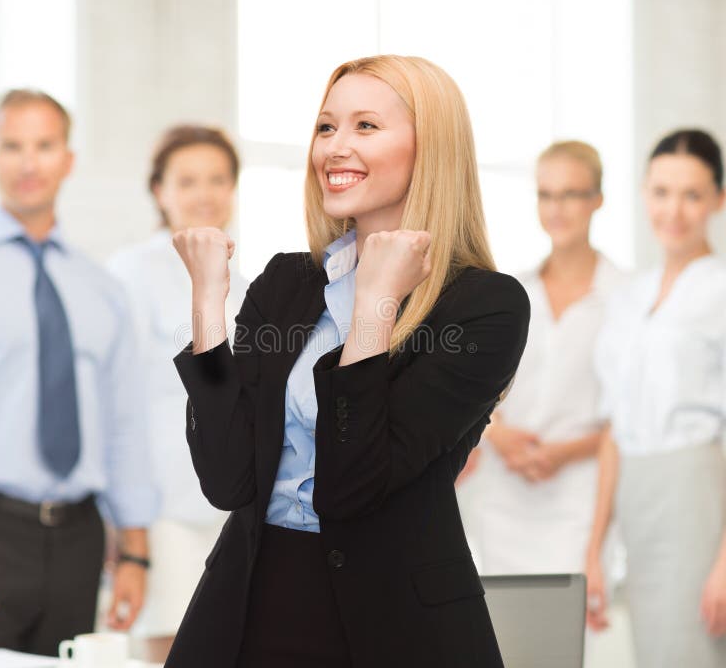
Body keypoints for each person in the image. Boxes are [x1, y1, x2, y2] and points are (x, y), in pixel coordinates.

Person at [167, 55, 530, 668]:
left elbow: (351, 486)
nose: (335, 147)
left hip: (395, 624)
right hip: (248, 605)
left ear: (431, 148)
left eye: (366, 126)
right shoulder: (286, 282)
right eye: (326, 127)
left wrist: (376, 304)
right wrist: (208, 302)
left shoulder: (486, 306)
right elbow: (226, 478)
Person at [0, 89, 158, 656]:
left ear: (68, 160)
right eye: (12, 146)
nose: (28, 163)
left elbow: (123, 422)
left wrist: (135, 553)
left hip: (79, 542)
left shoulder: (102, 290)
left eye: (44, 145)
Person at [586, 129, 726, 667]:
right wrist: (596, 546)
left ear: (717, 199)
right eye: (662, 192)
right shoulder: (629, 299)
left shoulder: (718, 291)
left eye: (692, 195)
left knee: (693, 651)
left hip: (698, 500)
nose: (675, 210)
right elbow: (612, 430)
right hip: (636, 504)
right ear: (644, 193)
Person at [108, 125, 248, 644]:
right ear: (159, 191)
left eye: (218, 179)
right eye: (187, 180)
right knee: (172, 647)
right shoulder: (129, 274)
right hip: (164, 505)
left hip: (237, 503)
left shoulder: (248, 280)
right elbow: (113, 403)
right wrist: (124, 525)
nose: (205, 193)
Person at [468, 141, 623, 575]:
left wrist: (566, 452)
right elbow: (479, 390)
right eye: (546, 194)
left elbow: (628, 414)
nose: (557, 208)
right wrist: (498, 435)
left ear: (597, 200)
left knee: (571, 635)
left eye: (571, 194)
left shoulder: (624, 297)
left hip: (579, 499)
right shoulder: (510, 293)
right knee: (503, 638)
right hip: (503, 496)